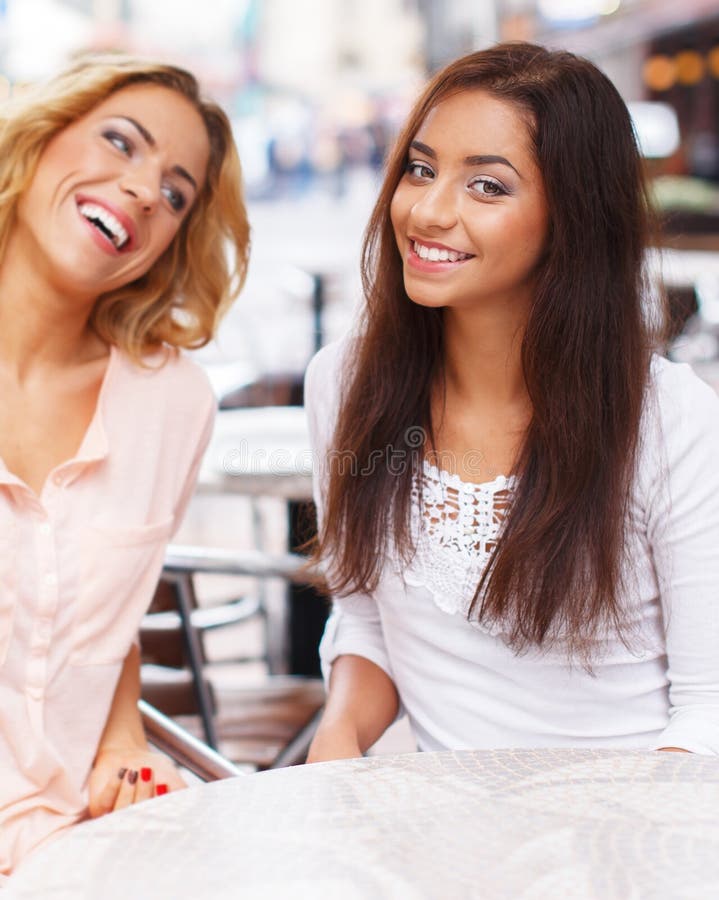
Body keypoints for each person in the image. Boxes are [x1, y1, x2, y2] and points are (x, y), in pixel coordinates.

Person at [303, 42, 719, 763]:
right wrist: (336, 741)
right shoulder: (344, 385)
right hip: (439, 845)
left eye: (486, 187)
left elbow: (706, 710)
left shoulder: (670, 420)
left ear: (573, 216)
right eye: (421, 169)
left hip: (631, 844)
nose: (428, 211)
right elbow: (365, 618)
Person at [0, 53, 249, 877]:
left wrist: (125, 744)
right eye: (120, 142)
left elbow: (101, 610)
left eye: (176, 192)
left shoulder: (169, 404)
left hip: (73, 843)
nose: (145, 189)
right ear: (41, 138)